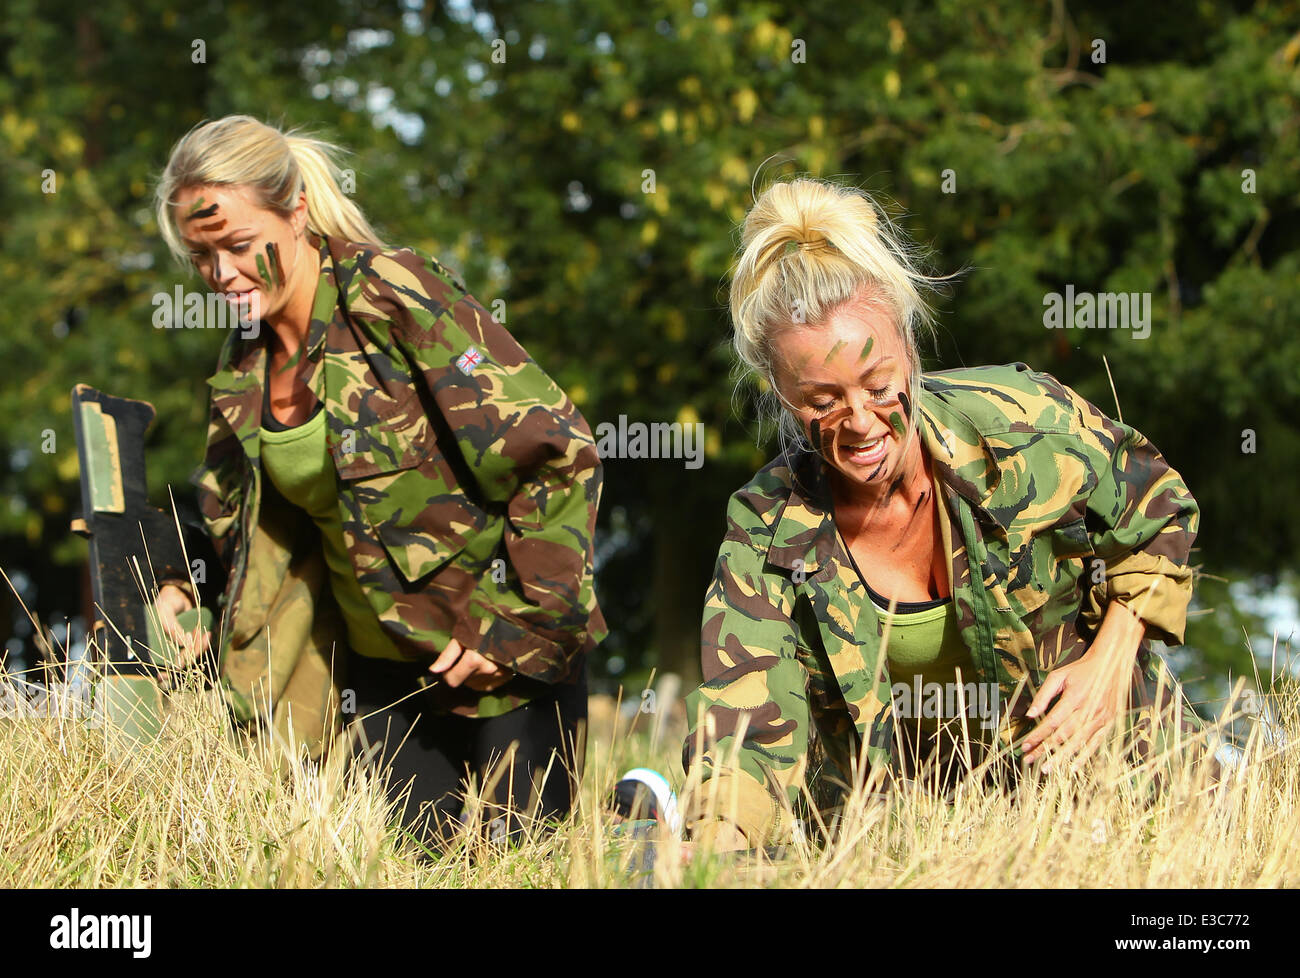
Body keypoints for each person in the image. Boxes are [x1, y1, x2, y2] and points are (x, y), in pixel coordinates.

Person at [682, 177, 1212, 850]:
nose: (861, 422)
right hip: (916, 841)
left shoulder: (1022, 424)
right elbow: (744, 735)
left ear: (909, 345)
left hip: (1122, 793)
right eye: (821, 401)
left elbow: (1159, 509)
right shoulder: (766, 530)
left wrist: (1110, 660)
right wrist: (710, 851)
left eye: (879, 387)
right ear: (781, 393)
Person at [150, 115, 605, 850]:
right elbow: (230, 511)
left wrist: (512, 621)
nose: (223, 274)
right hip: (378, 674)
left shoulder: (388, 292)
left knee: (522, 862)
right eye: (202, 256)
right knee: (410, 867)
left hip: (497, 660)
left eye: (238, 245)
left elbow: (559, 451)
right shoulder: (245, 357)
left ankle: (644, 819)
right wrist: (181, 579)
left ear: (295, 209)